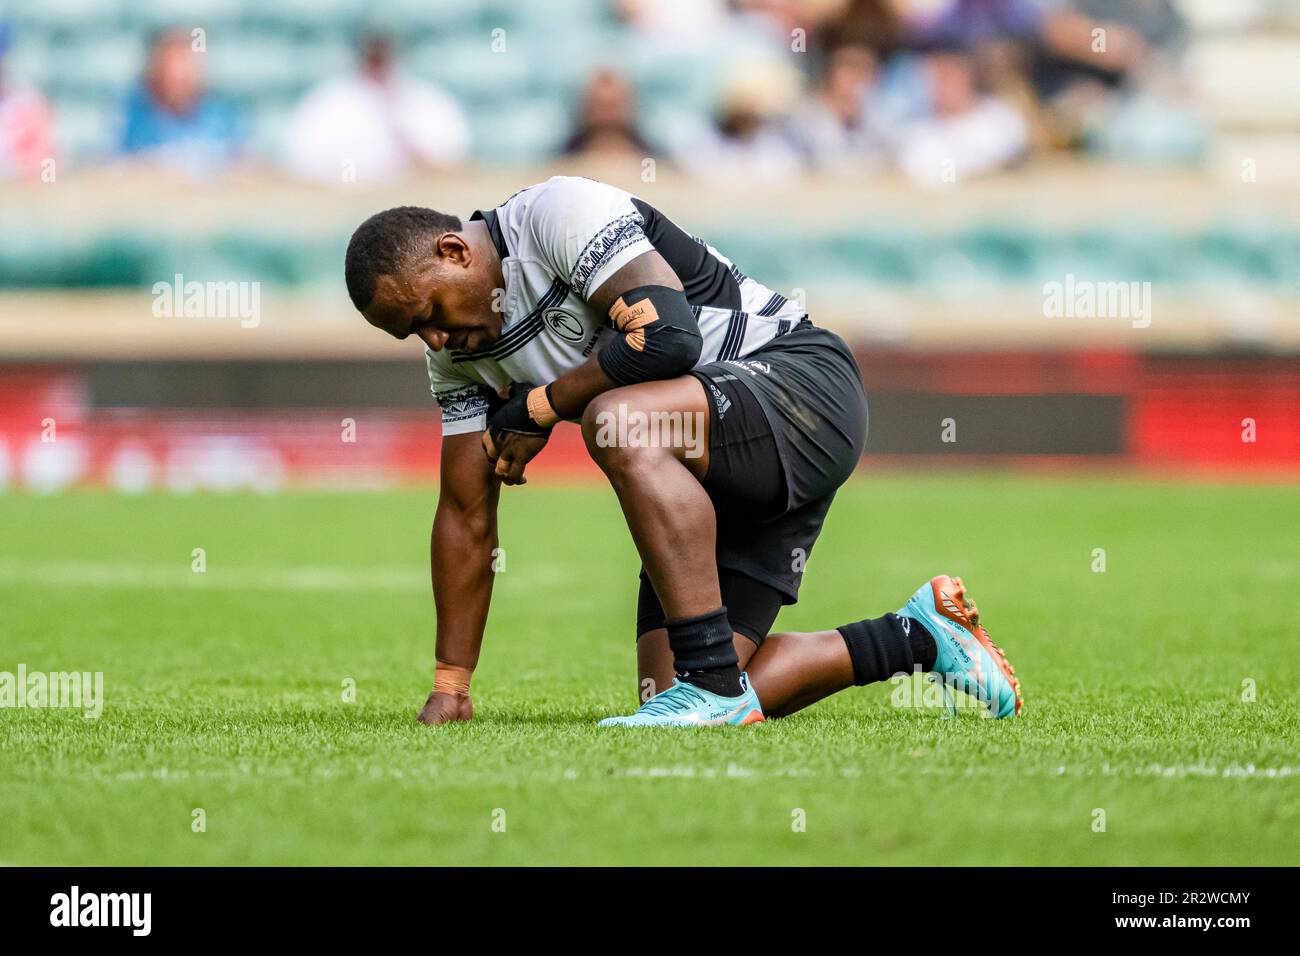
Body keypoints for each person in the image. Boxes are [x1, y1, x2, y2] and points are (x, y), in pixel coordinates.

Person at [343, 176, 1022, 727]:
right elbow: (465, 514)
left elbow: (668, 339)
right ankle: (919, 638)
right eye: (411, 335)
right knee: (667, 693)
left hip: (800, 389)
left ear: (455, 253)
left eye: (428, 313)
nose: (433, 342)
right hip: (716, 465)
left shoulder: (556, 214)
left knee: (618, 421)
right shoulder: (460, 360)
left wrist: (543, 406)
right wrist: (451, 684)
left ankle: (714, 688)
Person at [281, 33, 469, 184]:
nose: (378, 63)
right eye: (372, 54)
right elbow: (300, 164)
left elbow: (451, 162)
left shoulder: (428, 100)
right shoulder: (327, 102)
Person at [118, 29, 242, 177]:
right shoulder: (128, 117)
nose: (179, 75)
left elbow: (244, 163)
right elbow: (110, 168)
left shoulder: (221, 116)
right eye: (172, 65)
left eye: (186, 65)